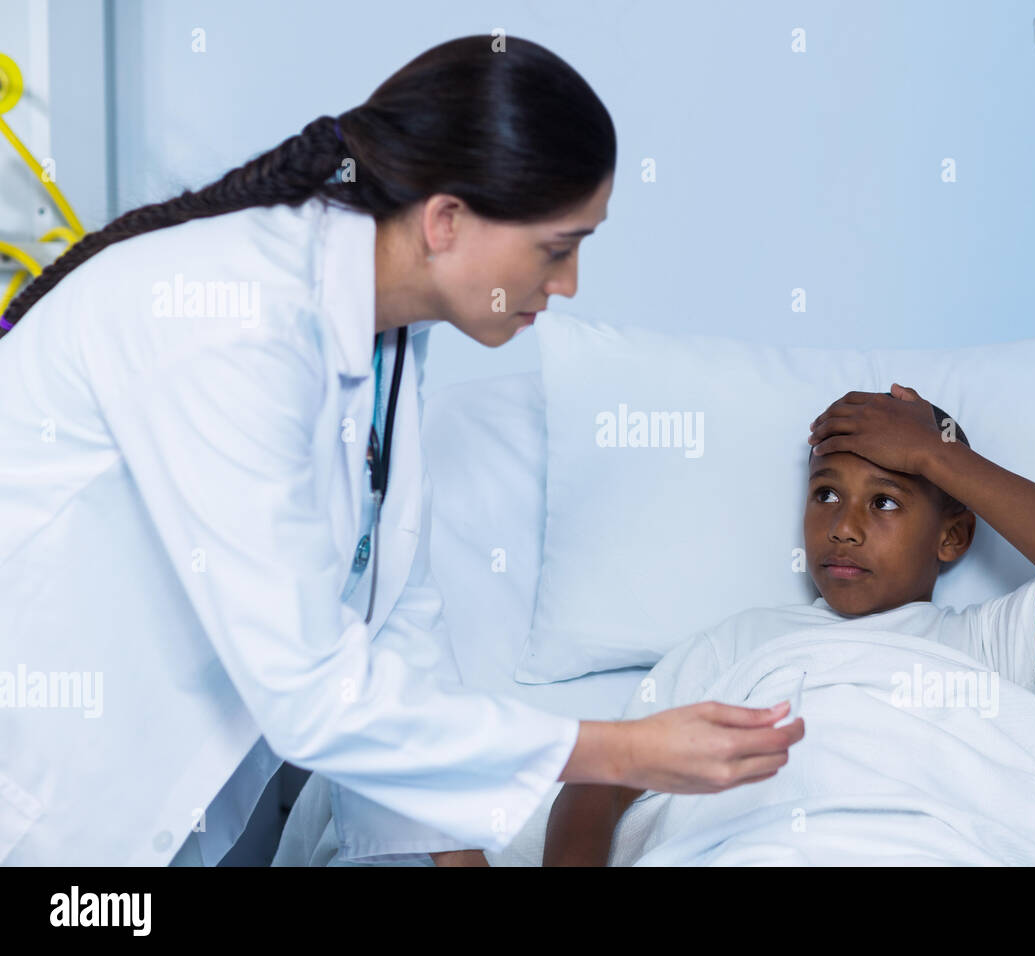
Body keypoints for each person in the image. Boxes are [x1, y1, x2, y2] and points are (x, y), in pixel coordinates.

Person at [0, 35, 802, 867]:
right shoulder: (233, 321)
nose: (567, 286)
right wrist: (622, 751)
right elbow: (311, 692)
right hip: (40, 799)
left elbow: (391, 622)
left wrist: (459, 858)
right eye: (557, 247)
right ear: (447, 219)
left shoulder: (382, 340)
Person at [542, 385, 1035, 865]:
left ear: (952, 536)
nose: (844, 527)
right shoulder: (743, 643)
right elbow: (604, 773)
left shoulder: (981, 641)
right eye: (825, 493)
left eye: (886, 502)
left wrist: (935, 454)